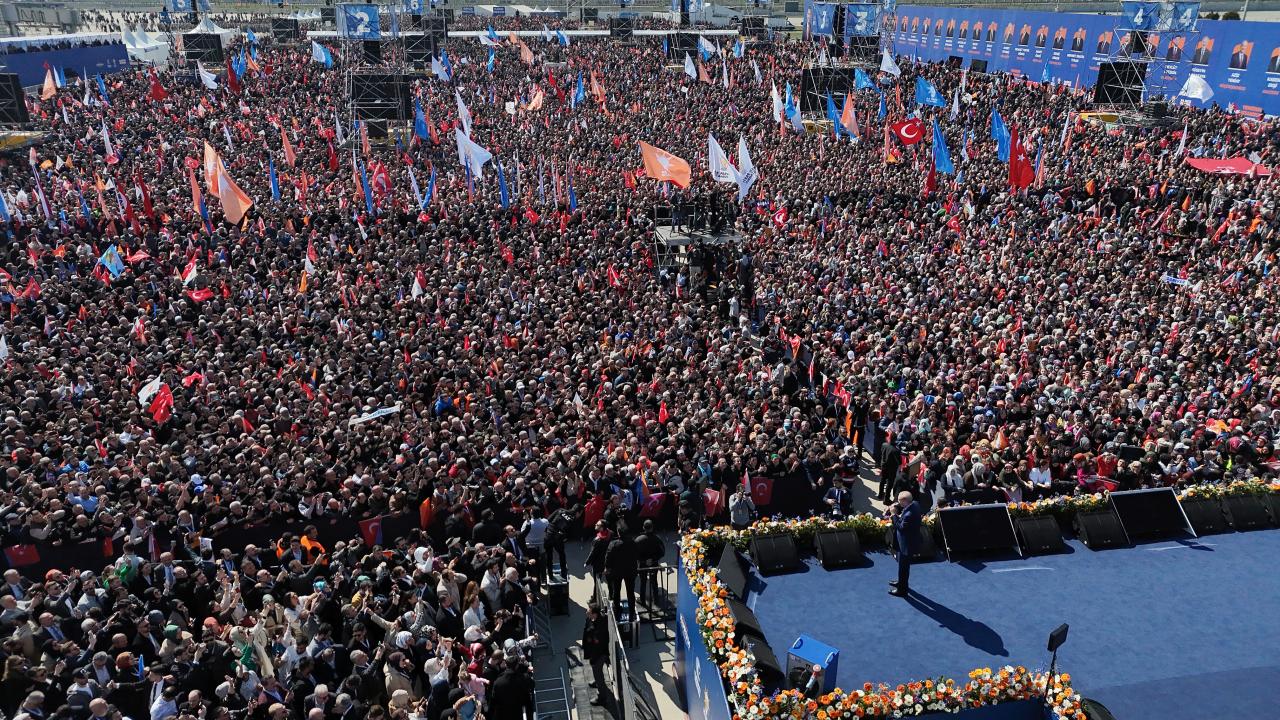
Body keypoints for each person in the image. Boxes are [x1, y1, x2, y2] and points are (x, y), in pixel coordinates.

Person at [887, 491, 922, 597]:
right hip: (908, 540)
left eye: (899, 501)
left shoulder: (909, 514)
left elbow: (900, 527)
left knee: (904, 567)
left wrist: (893, 514)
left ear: (905, 501)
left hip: (906, 544)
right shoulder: (915, 504)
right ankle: (900, 582)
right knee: (902, 566)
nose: (898, 503)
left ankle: (902, 590)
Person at [580, 603, 609, 707]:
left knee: (598, 673)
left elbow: (598, 646)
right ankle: (597, 682)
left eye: (589, 610)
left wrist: (593, 659)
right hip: (592, 652)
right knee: (596, 672)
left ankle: (602, 698)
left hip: (598, 655)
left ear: (594, 614)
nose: (587, 611)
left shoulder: (599, 628)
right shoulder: (590, 619)